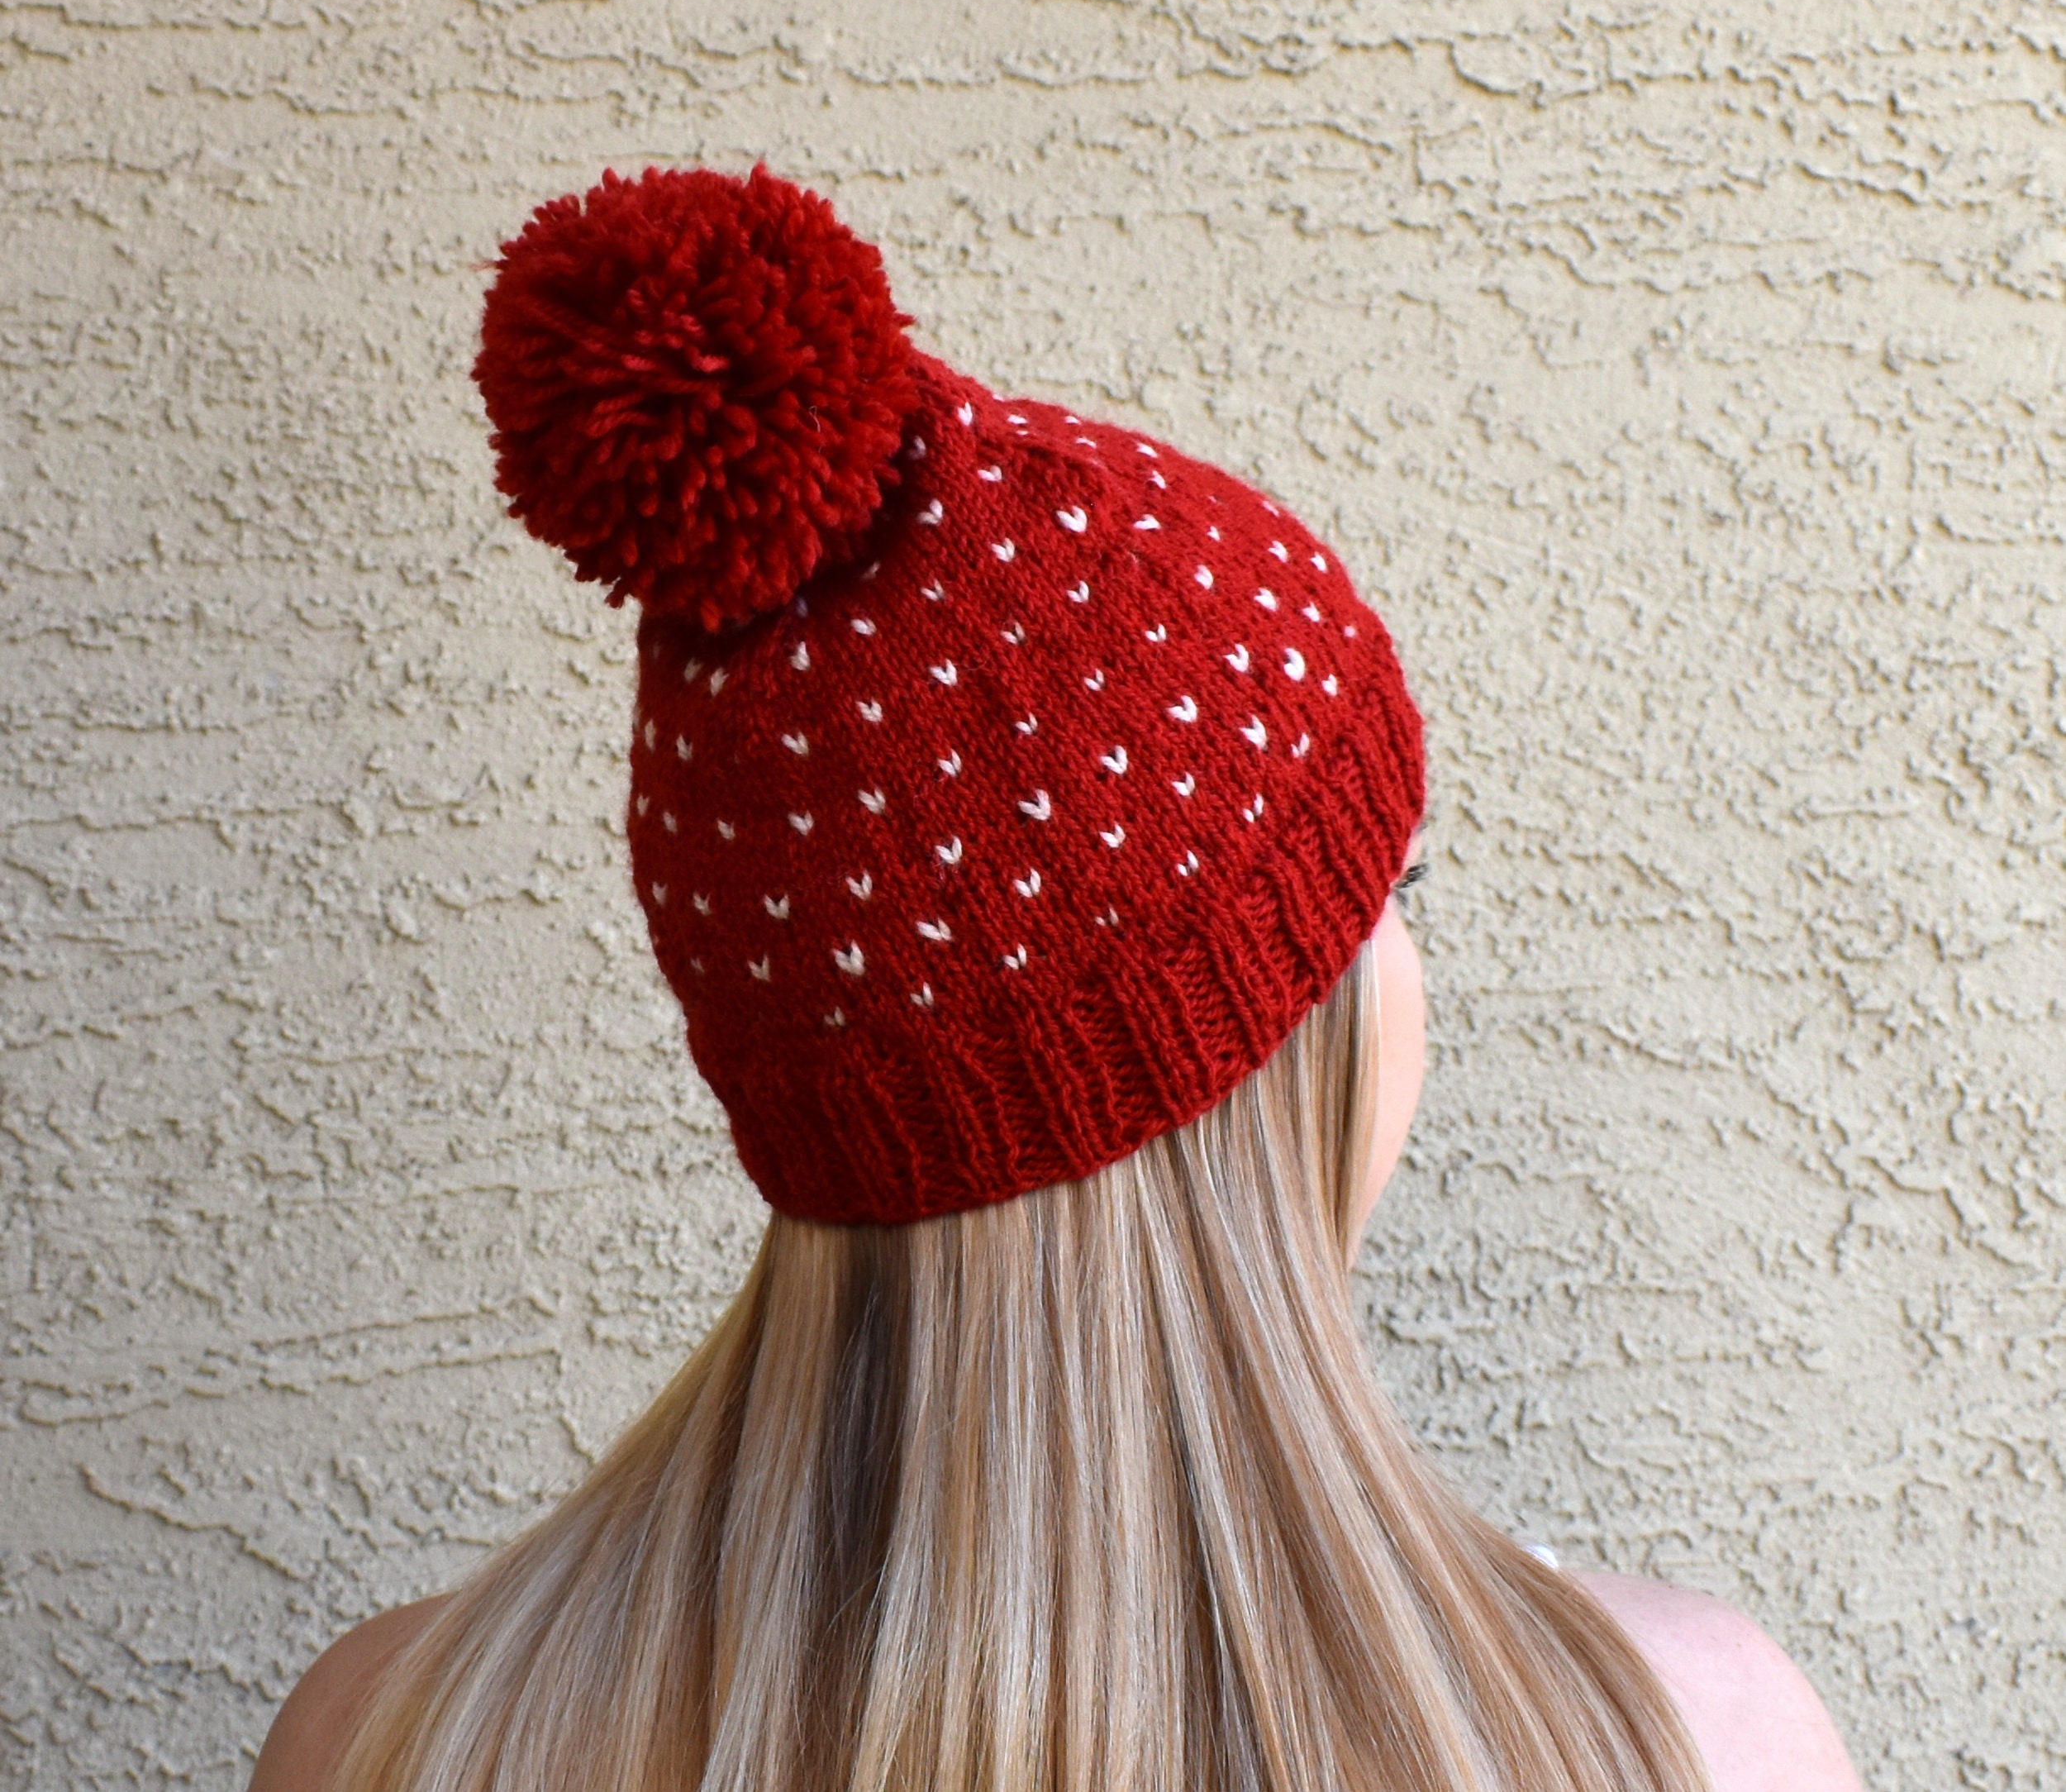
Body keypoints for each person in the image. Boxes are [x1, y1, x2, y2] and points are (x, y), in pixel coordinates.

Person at [251, 166, 1862, 1792]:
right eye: (1388, 896)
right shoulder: (1678, 1735)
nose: (1406, 973)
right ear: (1256, 1053)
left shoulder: (395, 1732)